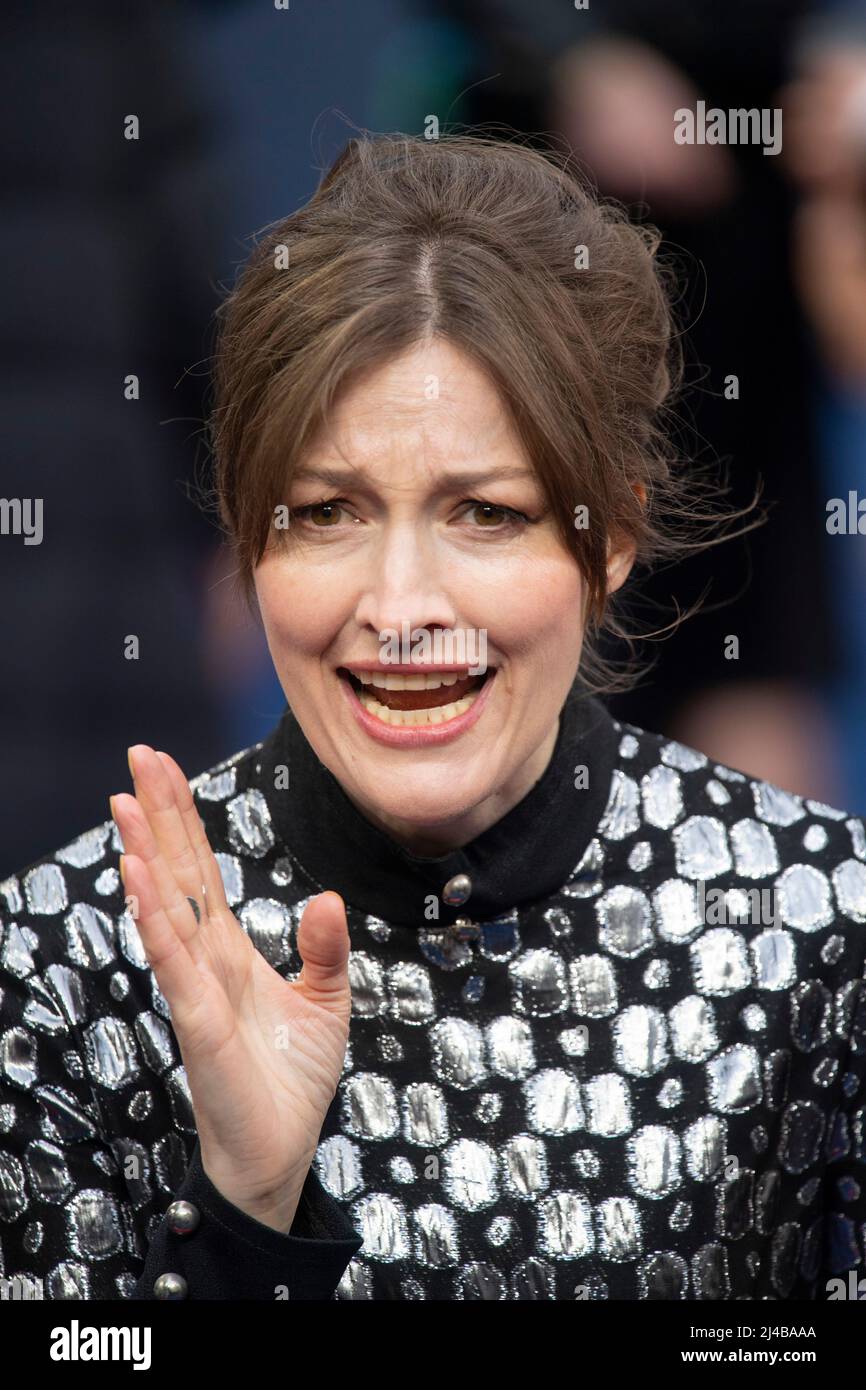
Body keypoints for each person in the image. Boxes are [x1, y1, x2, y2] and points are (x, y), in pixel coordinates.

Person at [1, 133, 864, 1302]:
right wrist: (245, 1219)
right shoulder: (63, 967)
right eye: (325, 513)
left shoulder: (821, 932)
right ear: (247, 540)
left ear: (608, 536)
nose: (399, 609)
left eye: (484, 513)